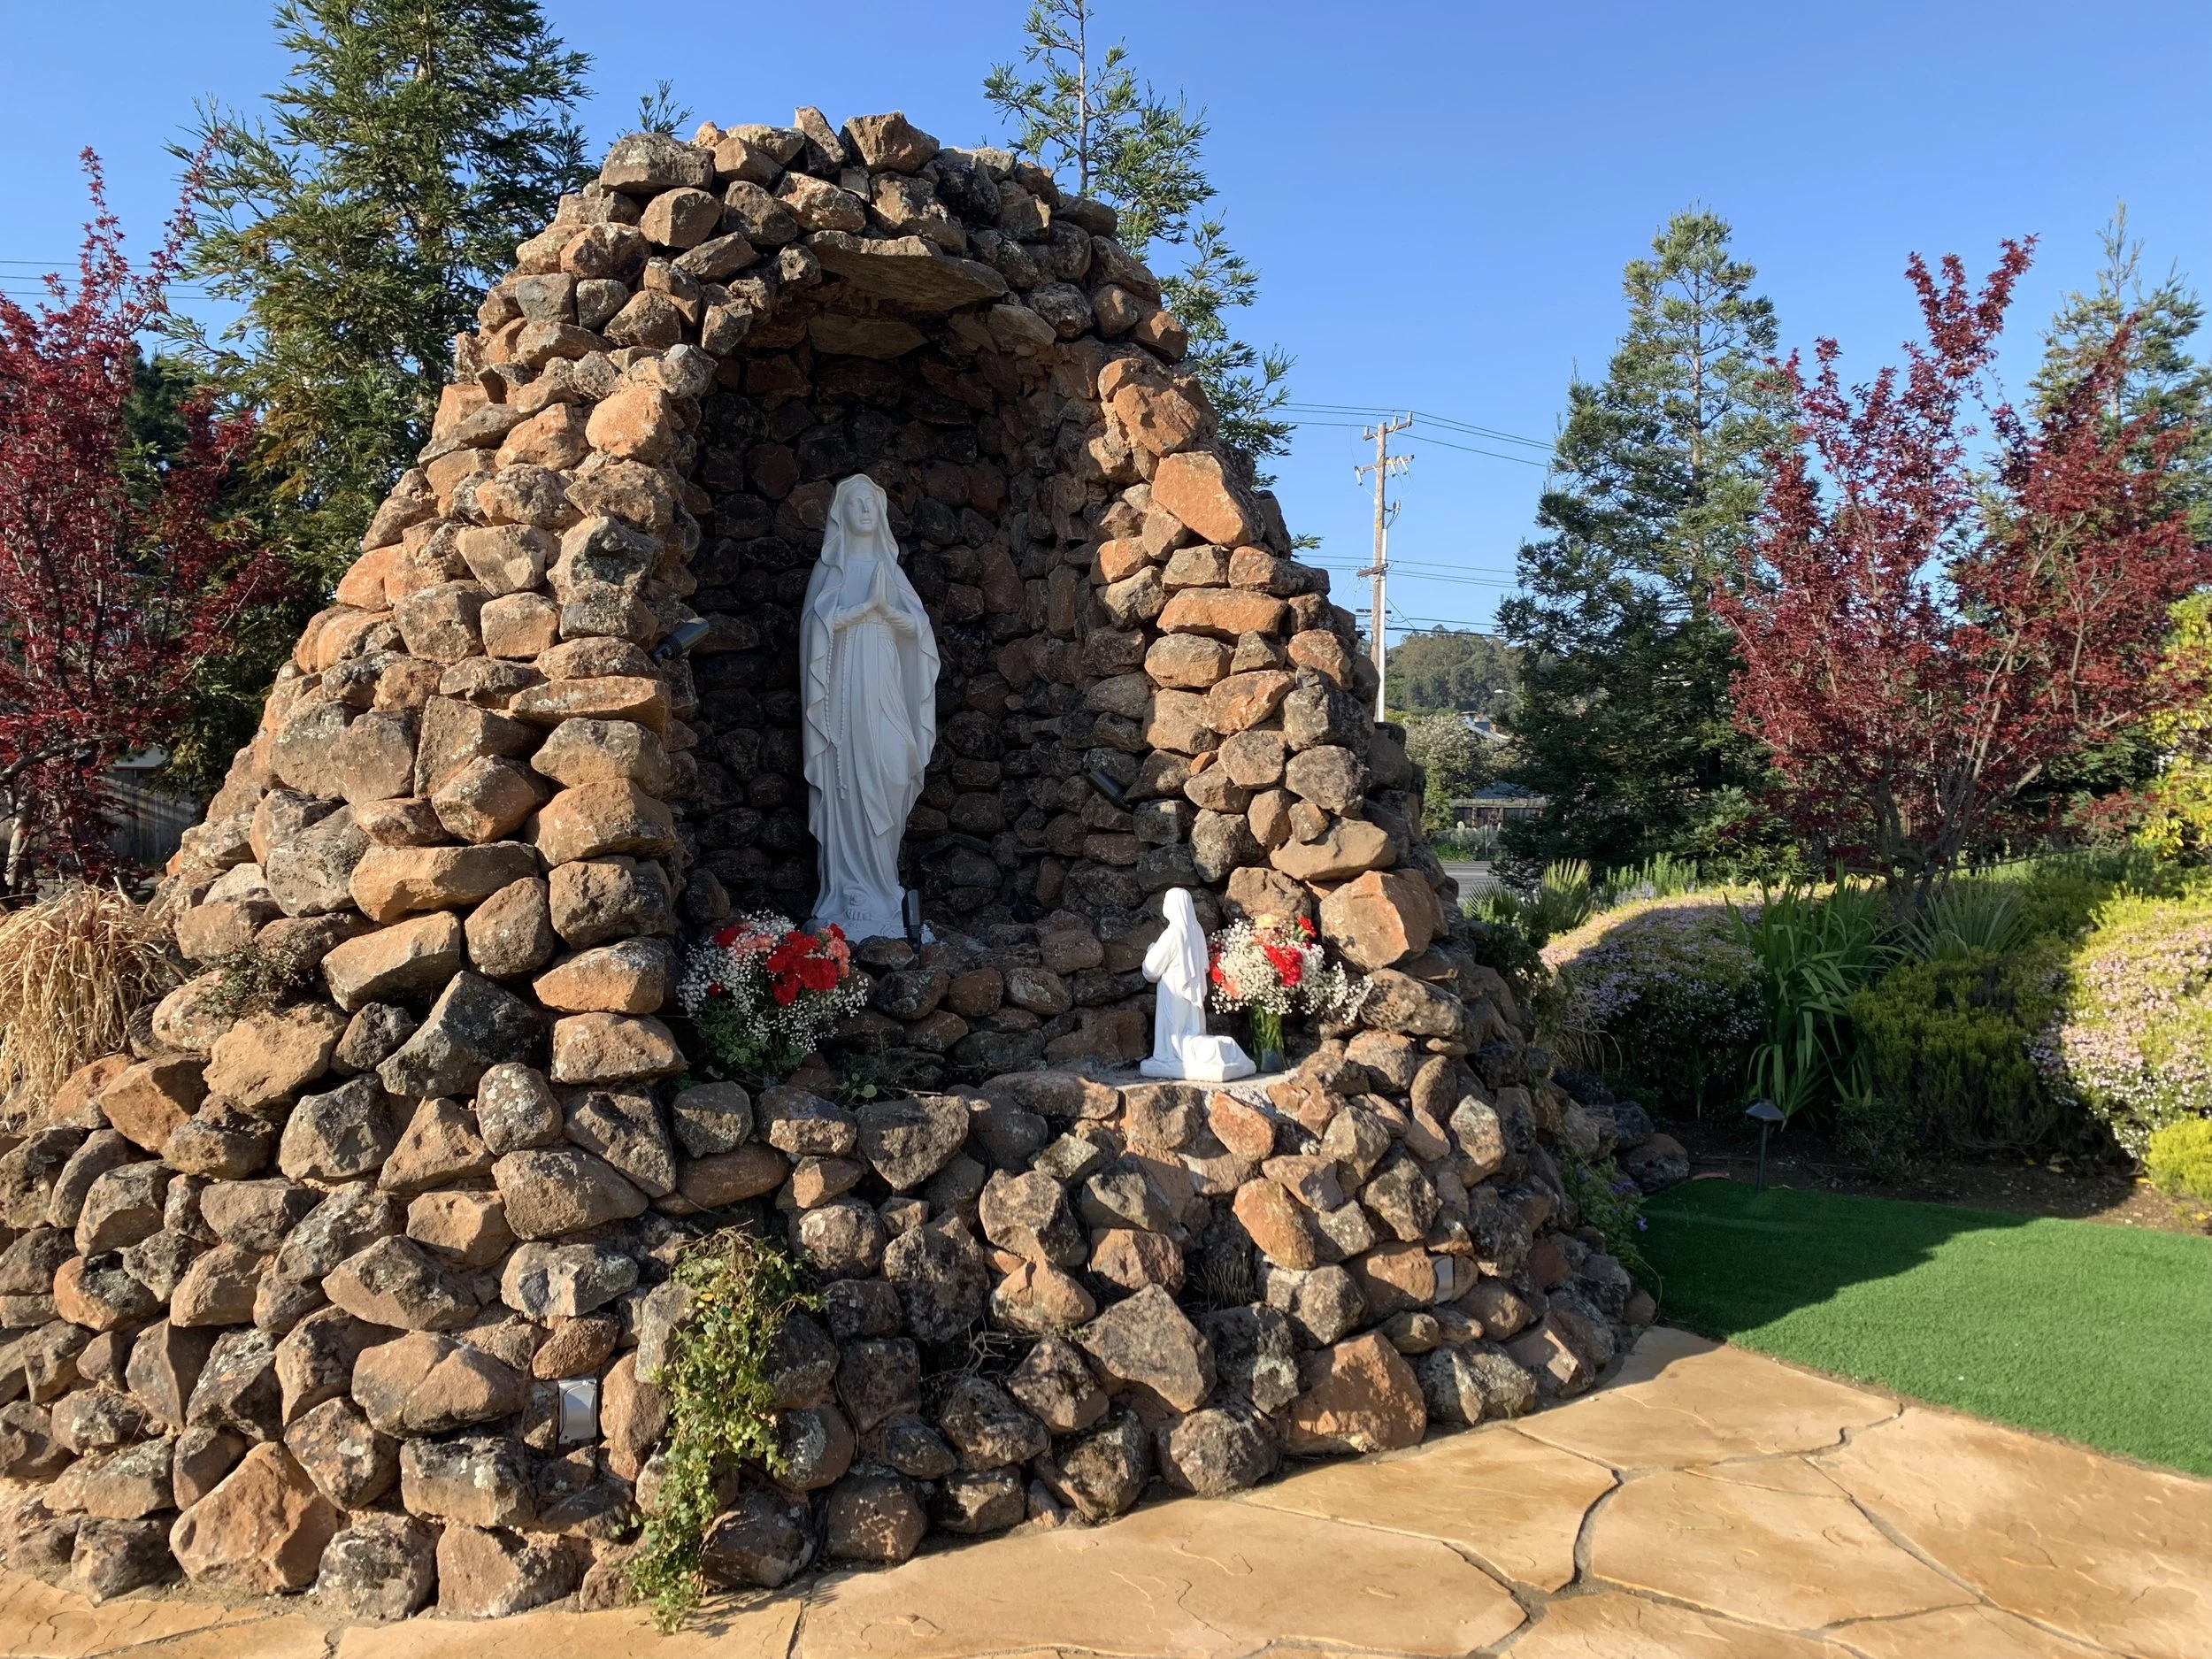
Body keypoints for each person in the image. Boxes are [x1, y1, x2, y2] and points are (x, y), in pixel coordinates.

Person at [800, 475, 940, 941]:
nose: (864, 510)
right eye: (856, 503)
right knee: (851, 781)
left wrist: (887, 612)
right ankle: (852, 892)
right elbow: (814, 632)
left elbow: (918, 631)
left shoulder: (890, 571)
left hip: (886, 681)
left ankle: (883, 883)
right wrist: (862, 612)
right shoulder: (832, 570)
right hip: (845, 690)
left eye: (871, 504)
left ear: (880, 515)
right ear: (841, 514)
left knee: (895, 766)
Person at [1141, 888, 1254, 1081]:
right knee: (1191, 1031)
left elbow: (1151, 970)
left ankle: (1170, 1057)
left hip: (1174, 990)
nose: (1165, 905)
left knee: (1174, 1037)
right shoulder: (1197, 931)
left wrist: (1151, 951)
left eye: (1167, 902)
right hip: (1193, 989)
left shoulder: (1173, 933)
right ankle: (1218, 1054)